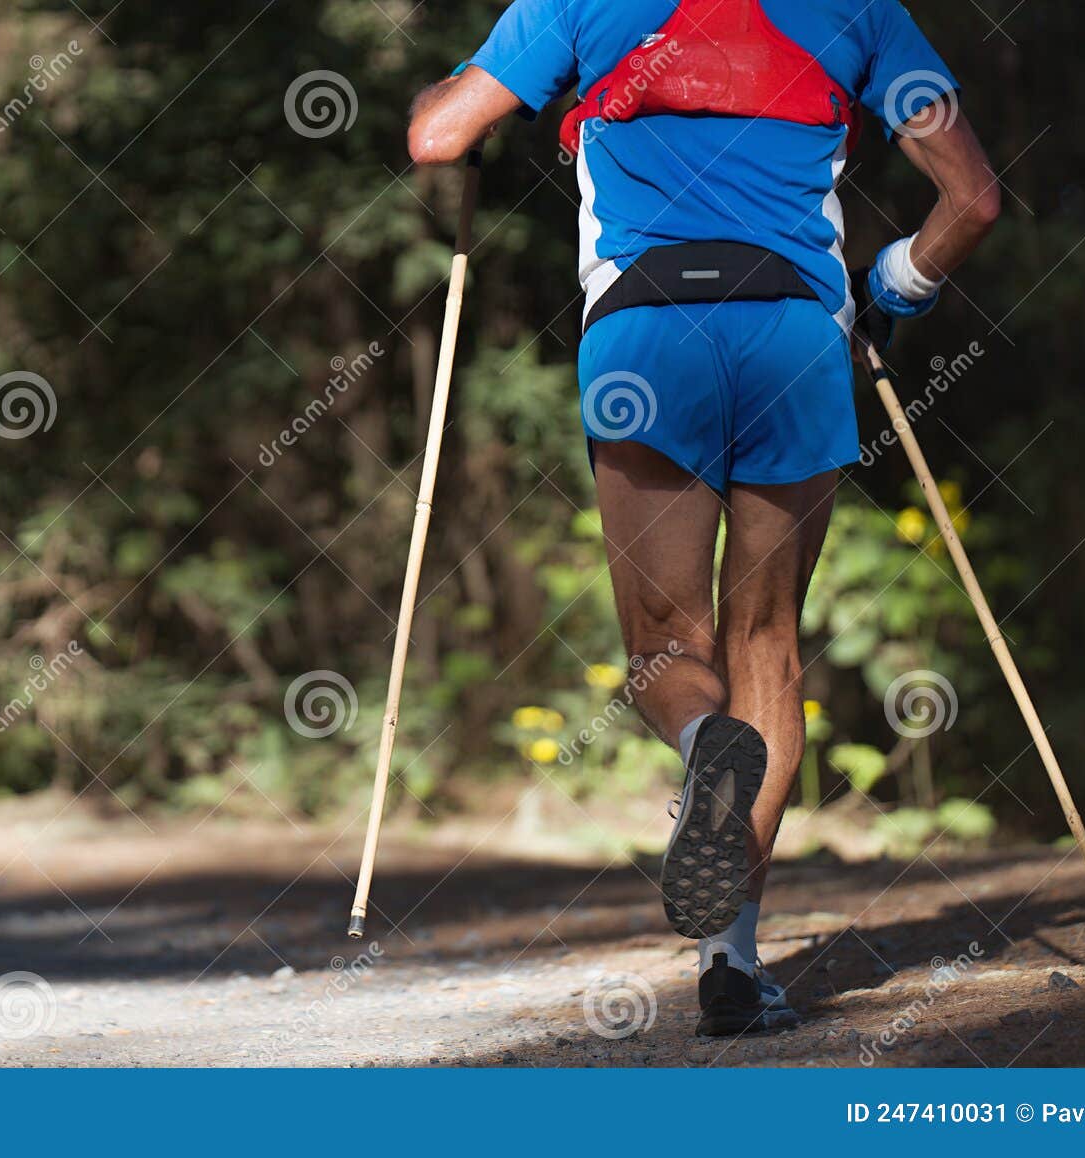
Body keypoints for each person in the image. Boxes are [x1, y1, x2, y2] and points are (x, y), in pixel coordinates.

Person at [408, 0, 998, 1037]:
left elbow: (439, 135)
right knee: (765, 644)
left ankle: (700, 751)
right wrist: (892, 291)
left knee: (662, 646)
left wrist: (446, 95)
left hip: (646, 337)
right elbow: (974, 200)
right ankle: (730, 963)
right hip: (794, 335)